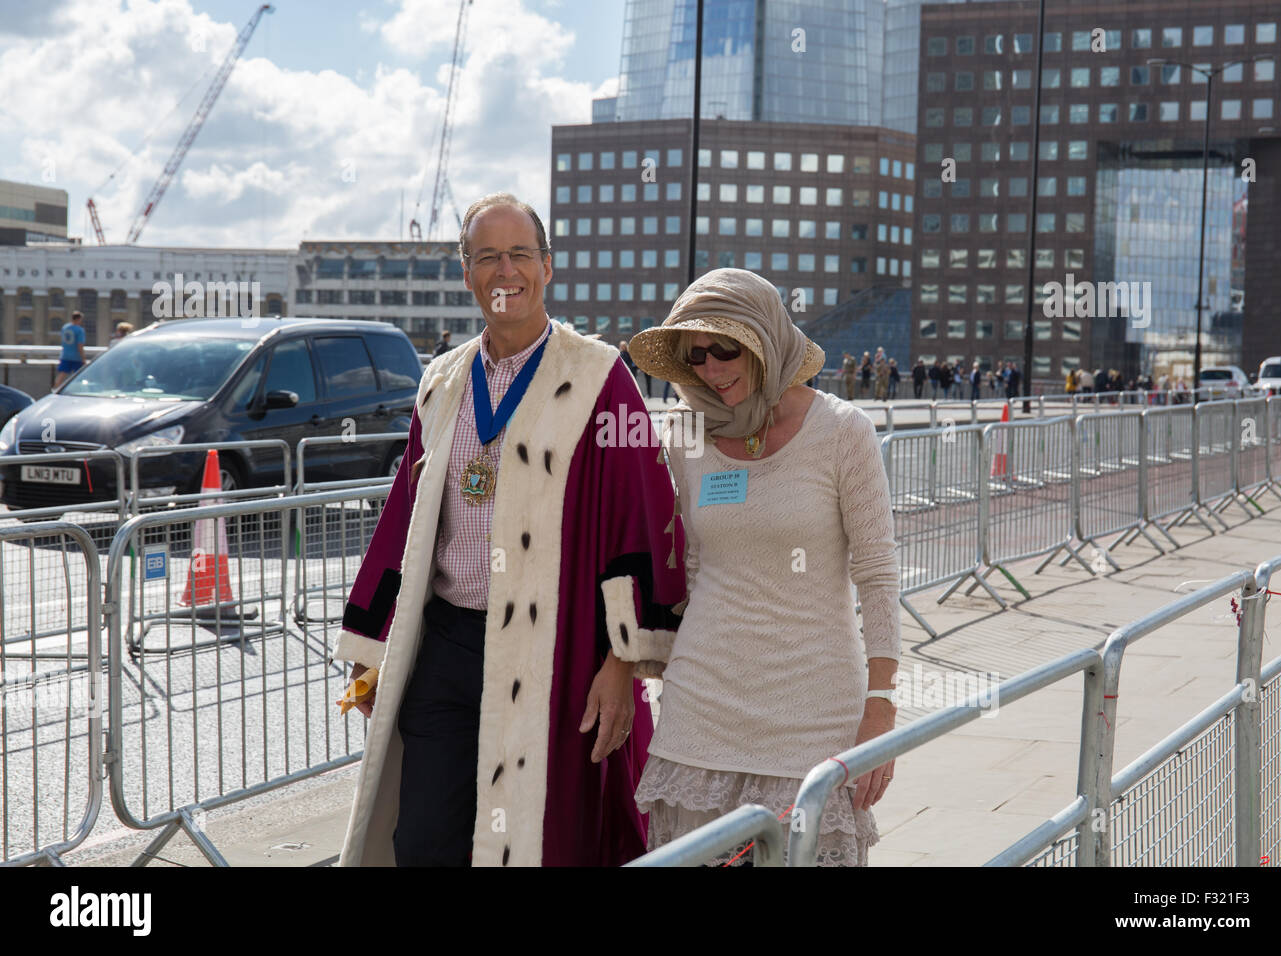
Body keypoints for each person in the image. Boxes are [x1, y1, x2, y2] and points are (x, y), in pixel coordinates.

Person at [330, 192, 685, 867]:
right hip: (448, 648)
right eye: (487, 256)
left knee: (537, 842)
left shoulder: (601, 378)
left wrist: (623, 662)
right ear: (467, 274)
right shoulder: (440, 382)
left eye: (520, 253)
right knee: (425, 840)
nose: (506, 270)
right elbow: (405, 517)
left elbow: (642, 519)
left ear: (547, 268)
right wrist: (373, 645)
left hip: (557, 654)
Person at [626, 268, 900, 866]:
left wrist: (881, 706)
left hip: (814, 710)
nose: (711, 367)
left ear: (765, 340)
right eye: (694, 354)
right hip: (702, 710)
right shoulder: (686, 434)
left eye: (726, 347)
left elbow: (877, 573)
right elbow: (694, 567)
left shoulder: (842, 432)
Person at [54, 310, 86, 388]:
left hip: (65, 355)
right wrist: (83, 359)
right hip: (76, 357)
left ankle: (55, 389)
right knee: (79, 376)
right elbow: (80, 346)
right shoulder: (79, 330)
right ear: (78, 319)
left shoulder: (65, 328)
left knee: (62, 375)